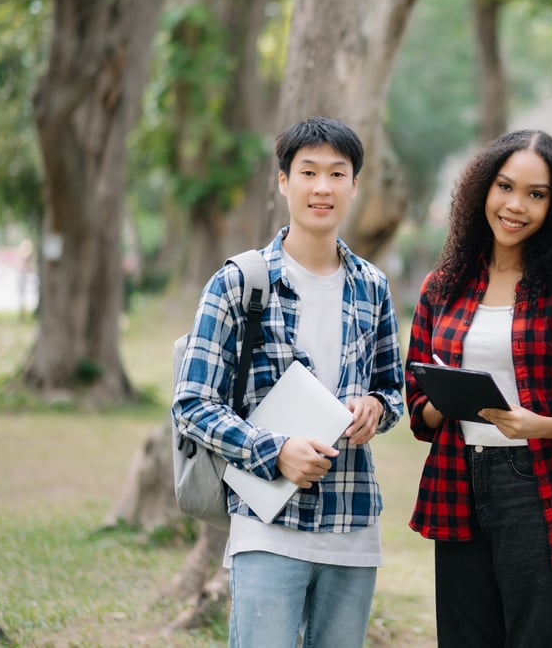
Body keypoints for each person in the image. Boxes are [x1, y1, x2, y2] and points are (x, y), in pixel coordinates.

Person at [172, 116, 405, 648]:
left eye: (337, 174)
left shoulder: (372, 286)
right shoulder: (239, 282)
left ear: (354, 185)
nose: (322, 187)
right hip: (267, 524)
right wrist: (274, 451)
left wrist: (377, 407)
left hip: (352, 523)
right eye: (308, 172)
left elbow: (393, 388)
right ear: (283, 181)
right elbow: (192, 404)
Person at [405, 129, 552, 647]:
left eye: (535, 194)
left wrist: (541, 426)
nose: (515, 205)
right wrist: (442, 401)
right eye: (505, 186)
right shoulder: (442, 286)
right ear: (483, 189)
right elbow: (417, 405)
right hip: (457, 479)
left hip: (537, 488)